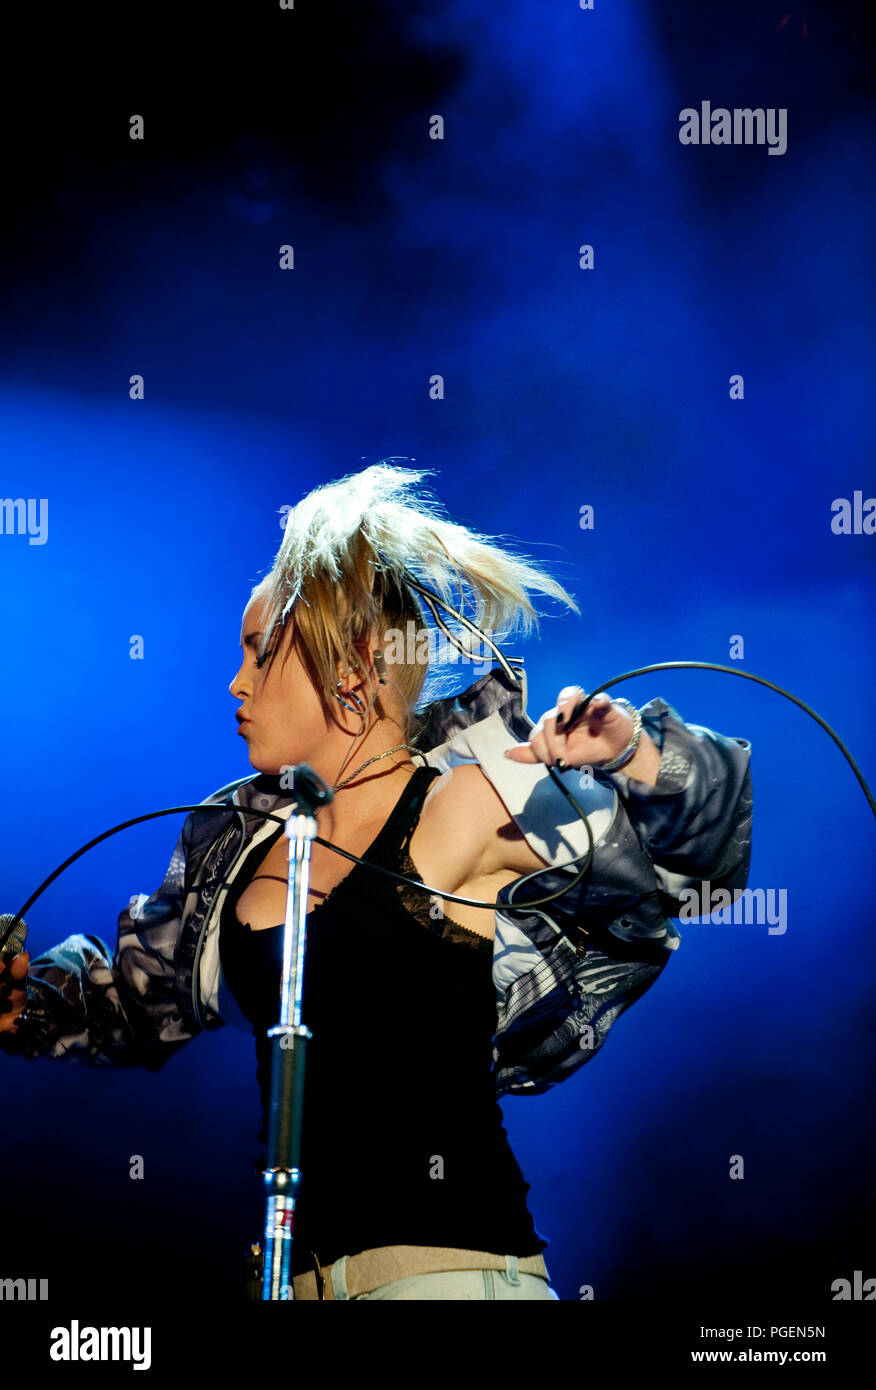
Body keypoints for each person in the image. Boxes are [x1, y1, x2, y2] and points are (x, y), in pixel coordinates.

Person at [0, 462, 753, 1301]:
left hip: (448, 1275)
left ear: (354, 664)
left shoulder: (473, 797)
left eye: (258, 651)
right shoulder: (237, 839)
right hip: (295, 1282)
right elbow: (139, 998)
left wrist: (633, 755)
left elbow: (700, 864)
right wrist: (25, 1000)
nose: (236, 684)